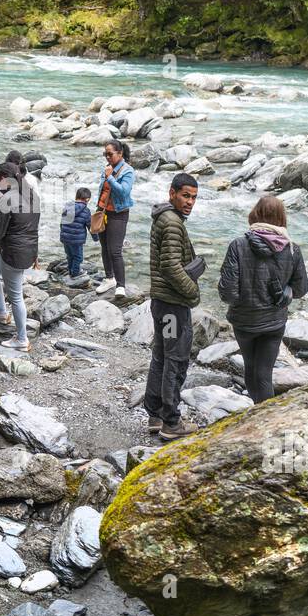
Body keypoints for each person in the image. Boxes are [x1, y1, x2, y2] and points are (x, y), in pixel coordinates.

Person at [217, 194, 308, 404]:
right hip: (274, 323)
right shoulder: (293, 249)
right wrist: (286, 289)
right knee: (264, 373)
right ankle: (265, 419)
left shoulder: (238, 245)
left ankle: (255, 413)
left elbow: (228, 293)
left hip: (244, 322)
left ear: (255, 214)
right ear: (282, 218)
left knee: (250, 368)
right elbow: (301, 289)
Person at [145, 172, 202, 439]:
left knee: (161, 357)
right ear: (172, 193)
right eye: (185, 196)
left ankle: (155, 415)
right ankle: (171, 422)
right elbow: (169, 266)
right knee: (175, 360)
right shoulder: (172, 223)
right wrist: (192, 293)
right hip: (173, 306)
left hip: (162, 302)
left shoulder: (165, 218)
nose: (190, 201)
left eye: (193, 197)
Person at [0, 161, 40, 351]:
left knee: (16, 297)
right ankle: (0, 311)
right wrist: (36, 254)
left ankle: (22, 339)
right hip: (27, 251)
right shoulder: (32, 194)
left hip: (12, 254)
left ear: (3, 178)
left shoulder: (6, 200)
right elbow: (33, 228)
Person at [94, 139, 135, 298]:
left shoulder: (128, 171)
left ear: (120, 153)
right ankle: (109, 278)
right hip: (103, 212)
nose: (107, 157)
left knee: (115, 251)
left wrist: (110, 177)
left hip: (119, 214)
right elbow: (103, 191)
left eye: (110, 154)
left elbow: (123, 192)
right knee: (104, 248)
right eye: (105, 154)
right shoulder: (107, 168)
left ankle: (121, 286)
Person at [60, 187, 92, 284]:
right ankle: (75, 274)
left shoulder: (67, 206)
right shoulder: (86, 211)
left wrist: (63, 233)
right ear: (87, 199)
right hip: (77, 240)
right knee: (78, 257)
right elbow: (90, 226)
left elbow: (62, 222)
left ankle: (71, 271)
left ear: (76, 196)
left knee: (69, 255)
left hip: (65, 237)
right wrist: (96, 238)